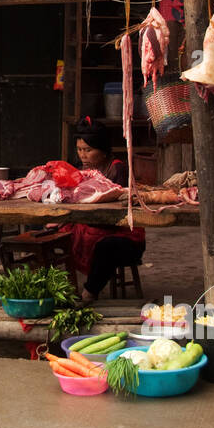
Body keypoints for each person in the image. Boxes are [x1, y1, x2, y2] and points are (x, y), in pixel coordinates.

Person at [64, 118, 146, 304]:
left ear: (102, 150)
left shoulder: (117, 169)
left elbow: (116, 212)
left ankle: (89, 293)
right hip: (94, 225)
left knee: (105, 246)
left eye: (88, 150)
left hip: (125, 234)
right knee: (54, 234)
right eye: (79, 149)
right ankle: (62, 288)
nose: (83, 155)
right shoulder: (83, 169)